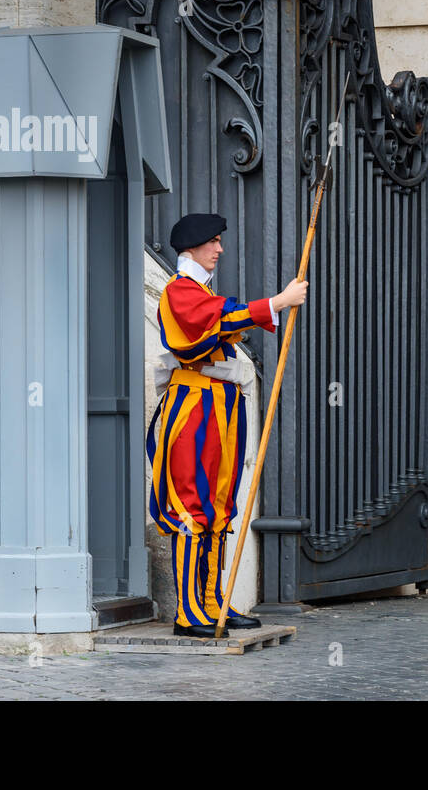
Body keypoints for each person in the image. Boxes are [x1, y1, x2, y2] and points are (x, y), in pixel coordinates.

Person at [146, 212, 308, 638]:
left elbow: (226, 314)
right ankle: (189, 611)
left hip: (220, 405)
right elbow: (218, 320)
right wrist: (276, 302)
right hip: (194, 407)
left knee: (218, 506)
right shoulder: (180, 292)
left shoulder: (200, 292)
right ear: (192, 248)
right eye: (213, 242)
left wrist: (271, 306)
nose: (219, 249)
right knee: (190, 504)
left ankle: (214, 604)